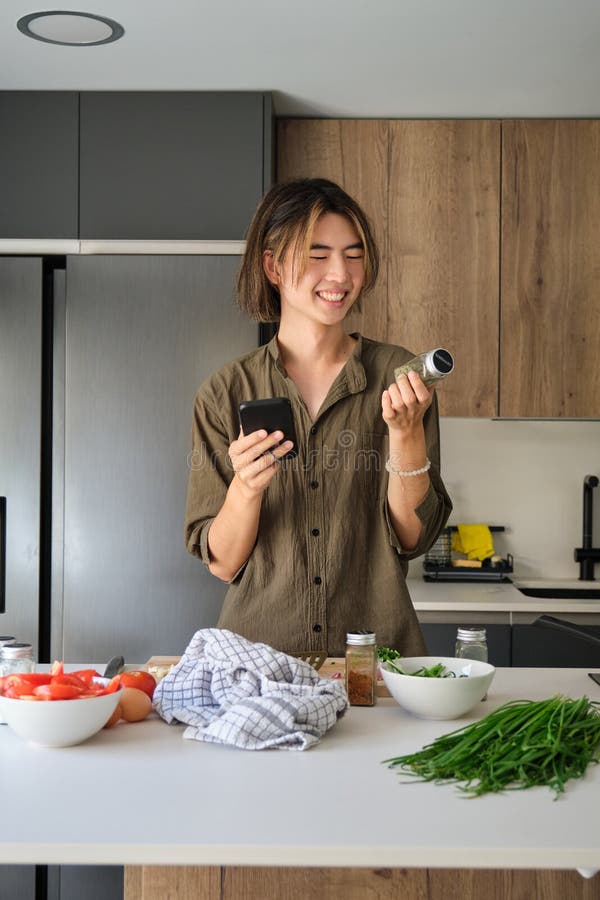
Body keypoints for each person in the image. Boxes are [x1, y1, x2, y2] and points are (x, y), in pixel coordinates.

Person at [185, 178, 452, 656]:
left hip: (374, 662)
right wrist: (246, 486)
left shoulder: (399, 375)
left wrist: (406, 433)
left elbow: (412, 539)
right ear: (272, 265)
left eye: (353, 255)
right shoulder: (225, 392)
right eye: (317, 254)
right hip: (259, 665)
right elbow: (223, 564)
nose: (340, 274)